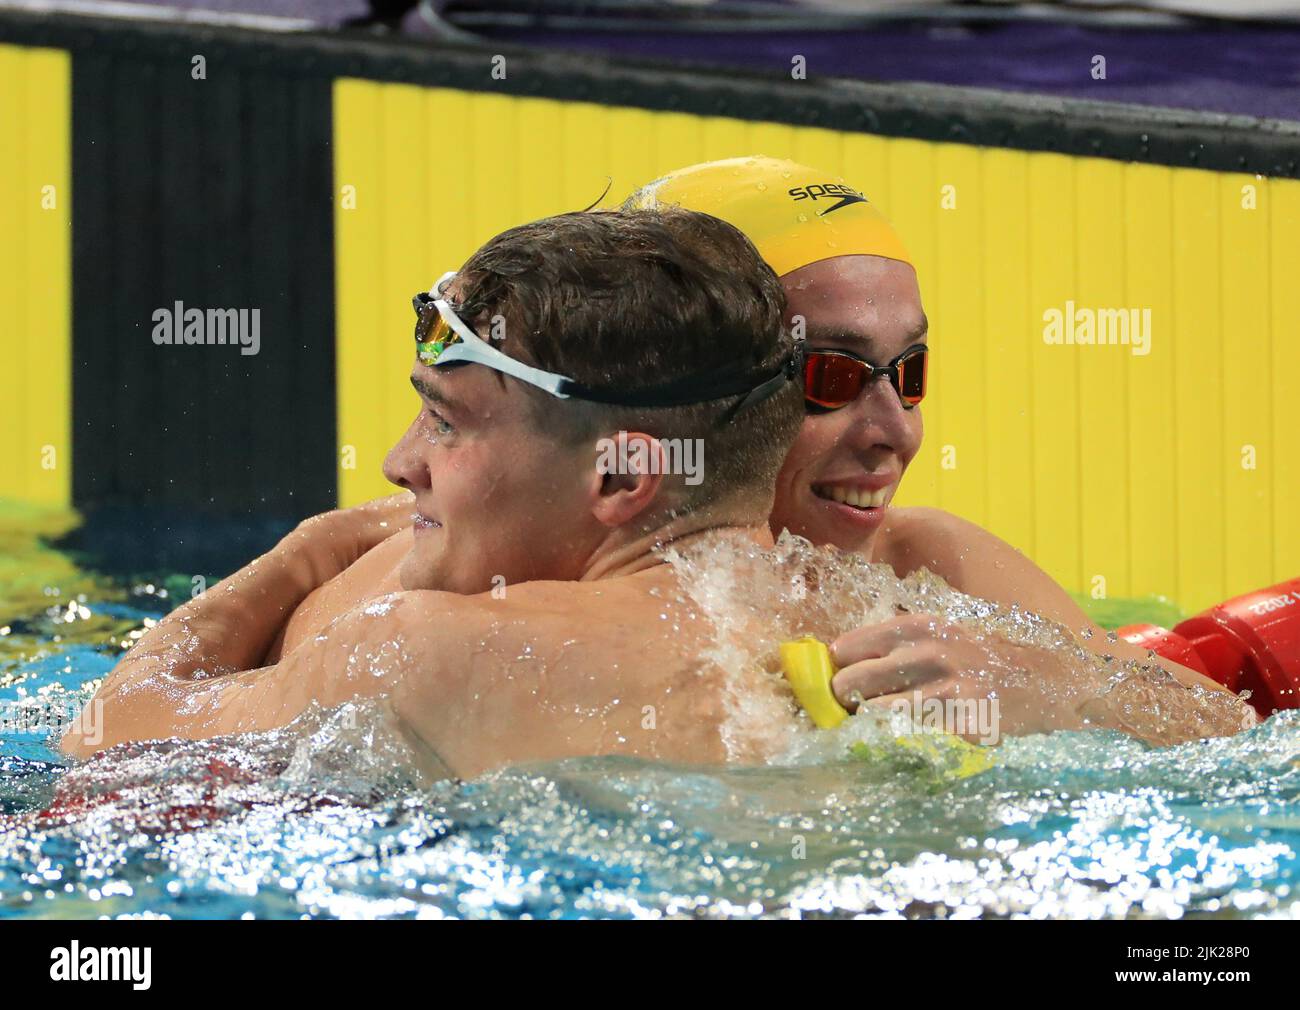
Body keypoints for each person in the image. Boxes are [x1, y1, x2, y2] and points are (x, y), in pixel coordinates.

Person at [61, 208, 1247, 769]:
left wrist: (295, 559)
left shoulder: (419, 637)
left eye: (445, 418)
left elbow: (95, 750)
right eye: (829, 378)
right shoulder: (864, 614)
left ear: (629, 470)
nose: (400, 461)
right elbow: (1236, 748)